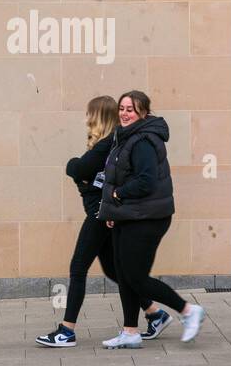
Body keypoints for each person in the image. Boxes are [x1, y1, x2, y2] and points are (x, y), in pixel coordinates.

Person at [35, 96, 167, 347]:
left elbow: (78, 168)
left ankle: (67, 331)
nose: (86, 119)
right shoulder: (112, 143)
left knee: (78, 268)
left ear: (98, 117)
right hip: (105, 214)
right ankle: (154, 313)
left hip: (100, 215)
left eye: (89, 114)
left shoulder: (107, 144)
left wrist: (75, 167)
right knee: (115, 271)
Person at [97, 90, 206, 349]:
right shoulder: (124, 137)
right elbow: (119, 175)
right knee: (124, 275)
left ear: (143, 113)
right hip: (129, 215)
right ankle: (130, 332)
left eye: (130, 109)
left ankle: (188, 310)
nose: (124, 113)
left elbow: (145, 181)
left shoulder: (143, 140)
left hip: (147, 217)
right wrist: (112, 211)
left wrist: (117, 194)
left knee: (135, 276)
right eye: (122, 108)